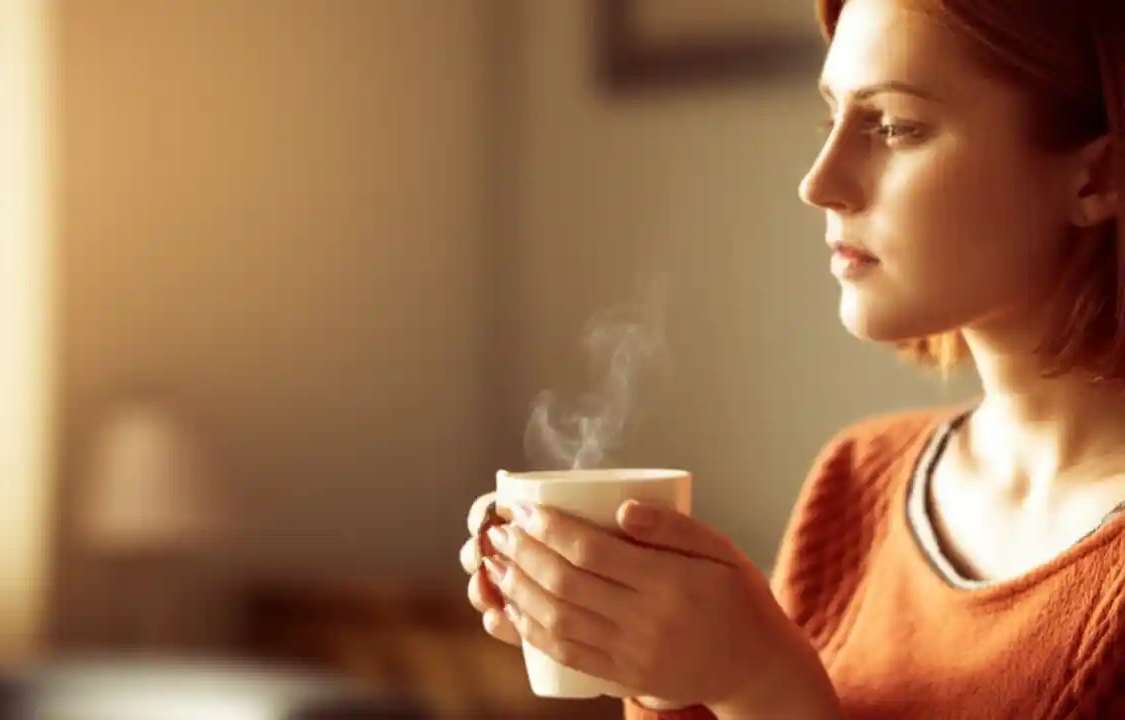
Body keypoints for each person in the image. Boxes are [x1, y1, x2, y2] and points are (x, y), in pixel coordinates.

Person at [457, 0, 1125, 717]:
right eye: (828, 118)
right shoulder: (854, 484)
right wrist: (665, 669)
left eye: (895, 126)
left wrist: (762, 687)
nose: (818, 182)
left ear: (1097, 177)